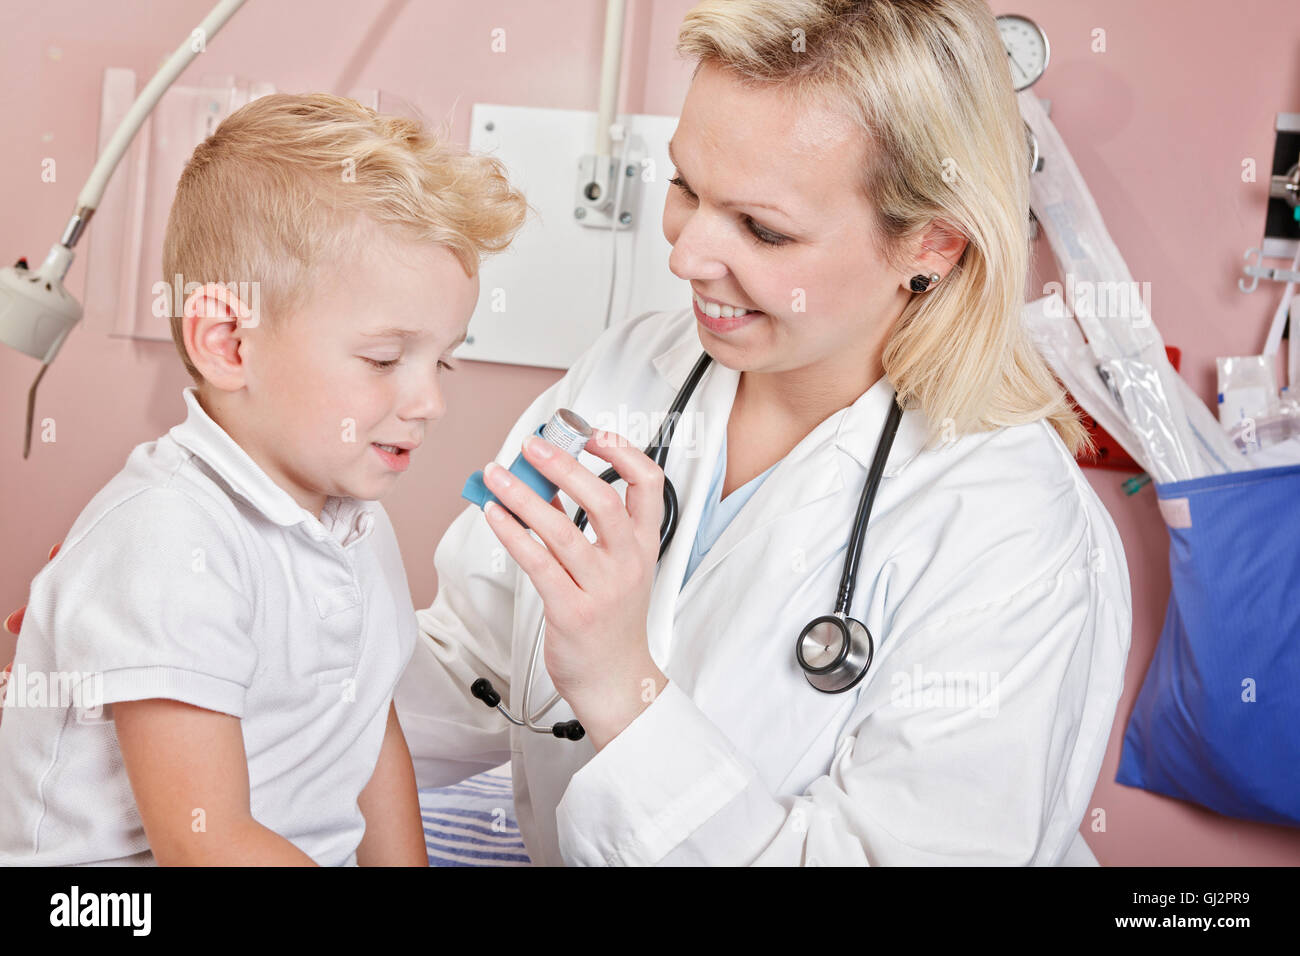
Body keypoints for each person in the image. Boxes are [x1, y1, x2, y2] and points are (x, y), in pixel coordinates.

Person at [394, 0, 1132, 866]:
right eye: (685, 188)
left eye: (761, 228)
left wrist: (618, 683)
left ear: (932, 243)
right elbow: (476, 663)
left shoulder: (1006, 521)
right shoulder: (636, 372)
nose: (687, 256)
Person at [0, 93, 527, 865]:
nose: (429, 402)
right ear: (229, 343)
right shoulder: (169, 540)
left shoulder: (354, 524)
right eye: (385, 360)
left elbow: (366, 735)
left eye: (439, 360)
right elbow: (200, 845)